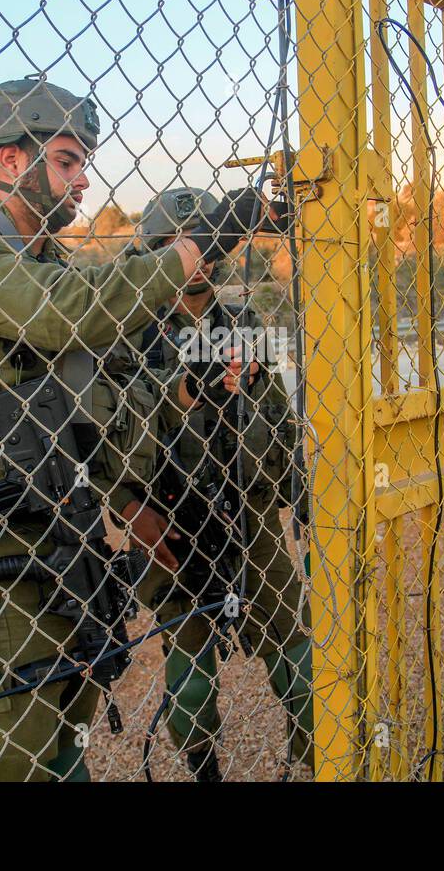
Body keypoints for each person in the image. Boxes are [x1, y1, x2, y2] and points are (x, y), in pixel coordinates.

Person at [0, 77, 234, 780]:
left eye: (83, 161)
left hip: (63, 550)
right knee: (2, 766)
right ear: (6, 163)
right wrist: (188, 250)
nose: (83, 178)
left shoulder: (52, 263)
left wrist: (137, 505)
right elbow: (73, 313)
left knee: (61, 757)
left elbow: (98, 407)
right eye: (65, 159)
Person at [129, 186, 314, 781]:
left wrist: (297, 482)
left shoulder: (241, 318)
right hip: (175, 516)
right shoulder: (133, 331)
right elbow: (121, 427)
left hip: (250, 509)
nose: (200, 261)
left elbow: (275, 411)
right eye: (181, 249)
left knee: (294, 643)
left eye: (208, 248)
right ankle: (205, 767)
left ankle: (319, 757)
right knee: (189, 669)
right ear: (157, 254)